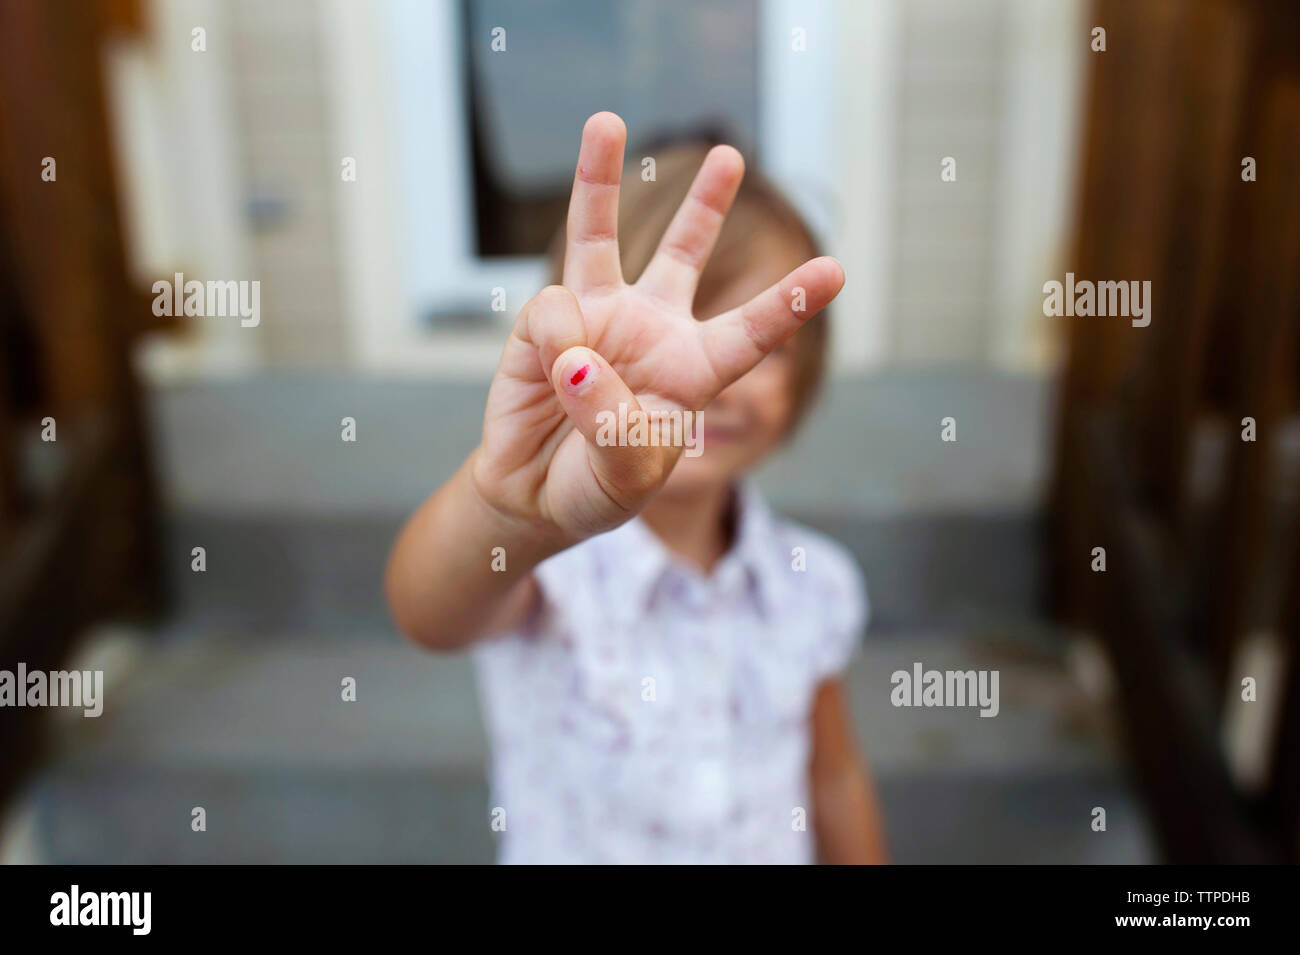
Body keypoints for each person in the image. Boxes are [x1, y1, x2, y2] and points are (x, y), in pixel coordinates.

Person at [386, 112, 888, 863]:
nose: (707, 382)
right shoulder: (540, 568)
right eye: (668, 337)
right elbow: (425, 606)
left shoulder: (813, 584)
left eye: (757, 348)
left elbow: (835, 776)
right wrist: (503, 505)